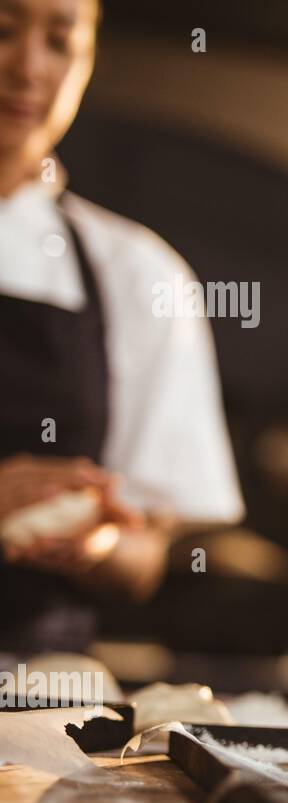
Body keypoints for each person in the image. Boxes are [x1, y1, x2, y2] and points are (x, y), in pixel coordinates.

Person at [0, 0, 242, 652]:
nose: (26, 68)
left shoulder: (139, 274)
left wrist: (91, 537)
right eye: (2, 30)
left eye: (60, 40)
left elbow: (143, 557)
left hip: (30, 702)